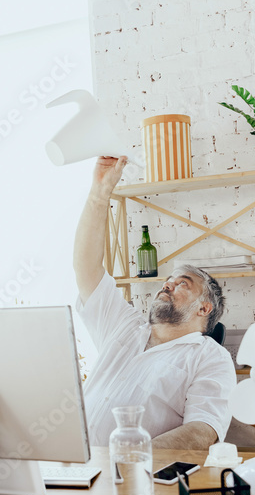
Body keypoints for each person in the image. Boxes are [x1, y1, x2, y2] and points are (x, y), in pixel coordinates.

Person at [73, 155, 237, 449]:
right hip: (73, 467)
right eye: (169, 280)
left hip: (137, 478)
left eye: (182, 284)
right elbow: (86, 269)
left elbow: (202, 431)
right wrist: (100, 194)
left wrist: (130, 460)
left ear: (204, 308)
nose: (168, 284)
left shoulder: (209, 357)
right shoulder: (124, 324)